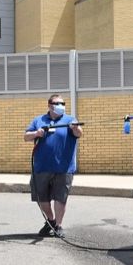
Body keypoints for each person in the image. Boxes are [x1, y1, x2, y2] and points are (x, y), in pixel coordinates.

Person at [23, 94, 83, 237]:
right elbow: (26, 136)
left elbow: (79, 133)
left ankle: (58, 225)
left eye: (63, 103)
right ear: (49, 105)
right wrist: (36, 133)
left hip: (64, 167)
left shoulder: (70, 119)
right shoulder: (39, 120)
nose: (61, 106)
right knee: (42, 199)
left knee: (60, 198)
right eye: (58, 103)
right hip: (41, 167)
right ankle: (51, 220)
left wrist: (75, 128)